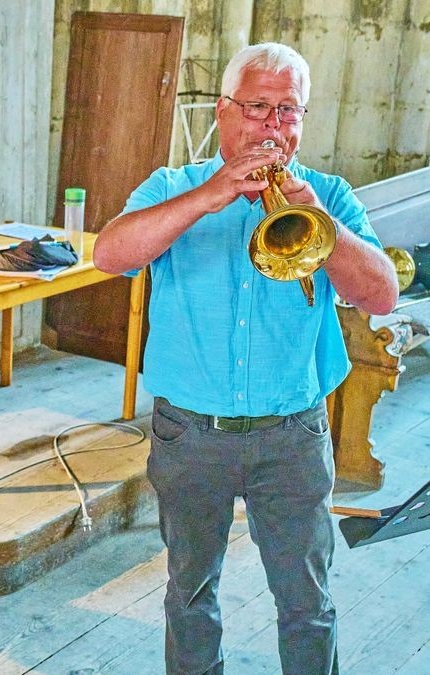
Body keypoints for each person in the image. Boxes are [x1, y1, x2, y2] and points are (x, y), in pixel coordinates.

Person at [93, 43, 397, 674]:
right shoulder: (174, 186)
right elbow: (111, 254)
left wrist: (320, 221)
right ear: (224, 111)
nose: (272, 125)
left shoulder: (329, 194)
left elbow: (381, 295)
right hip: (189, 435)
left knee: (307, 602)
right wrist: (208, 197)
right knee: (189, 592)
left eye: (288, 110)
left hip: (292, 436)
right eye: (257, 106)